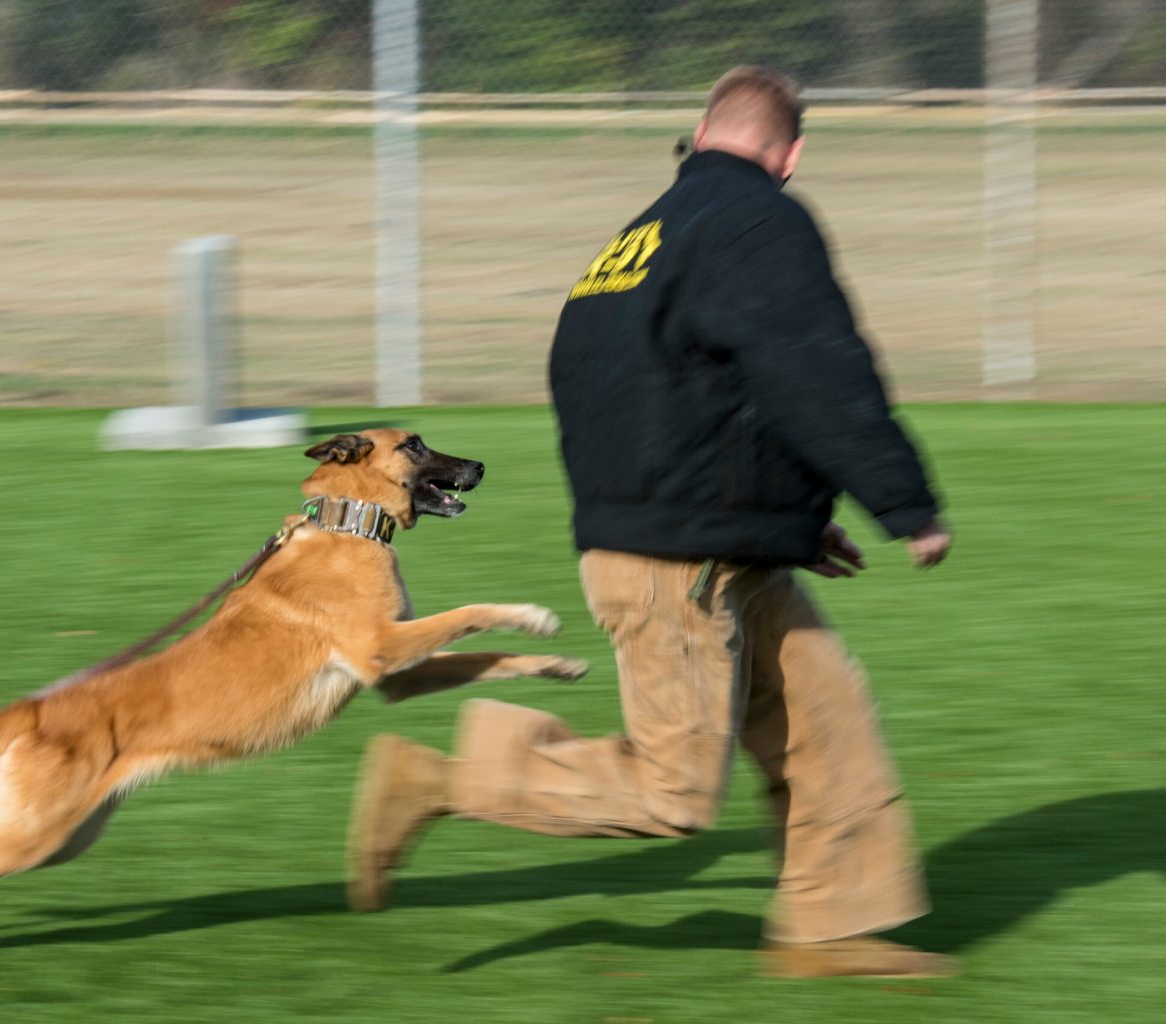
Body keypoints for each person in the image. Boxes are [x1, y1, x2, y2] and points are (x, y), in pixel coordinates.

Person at [345, 65, 957, 980]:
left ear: (703, 134)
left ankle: (829, 929)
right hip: (679, 565)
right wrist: (902, 501)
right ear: (790, 155)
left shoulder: (635, 243)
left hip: (704, 544)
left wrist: (784, 521)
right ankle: (434, 782)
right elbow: (813, 368)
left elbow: (674, 395)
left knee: (826, 721)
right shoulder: (760, 221)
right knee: (671, 794)